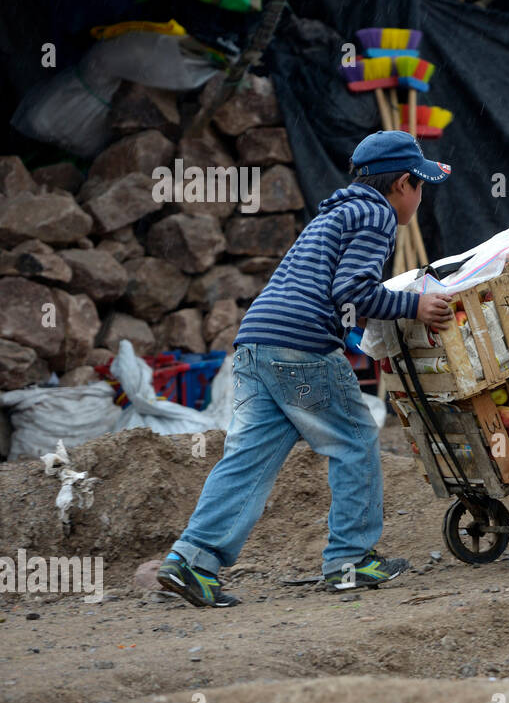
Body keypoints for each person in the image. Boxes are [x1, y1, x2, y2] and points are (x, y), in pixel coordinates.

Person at [157, 131, 454, 607]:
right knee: (355, 439)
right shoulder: (377, 216)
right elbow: (352, 292)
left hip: (256, 342)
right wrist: (414, 306)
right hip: (302, 346)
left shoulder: (336, 212)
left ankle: (192, 560)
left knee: (248, 458)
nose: (420, 195)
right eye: (419, 185)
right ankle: (350, 562)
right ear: (402, 184)